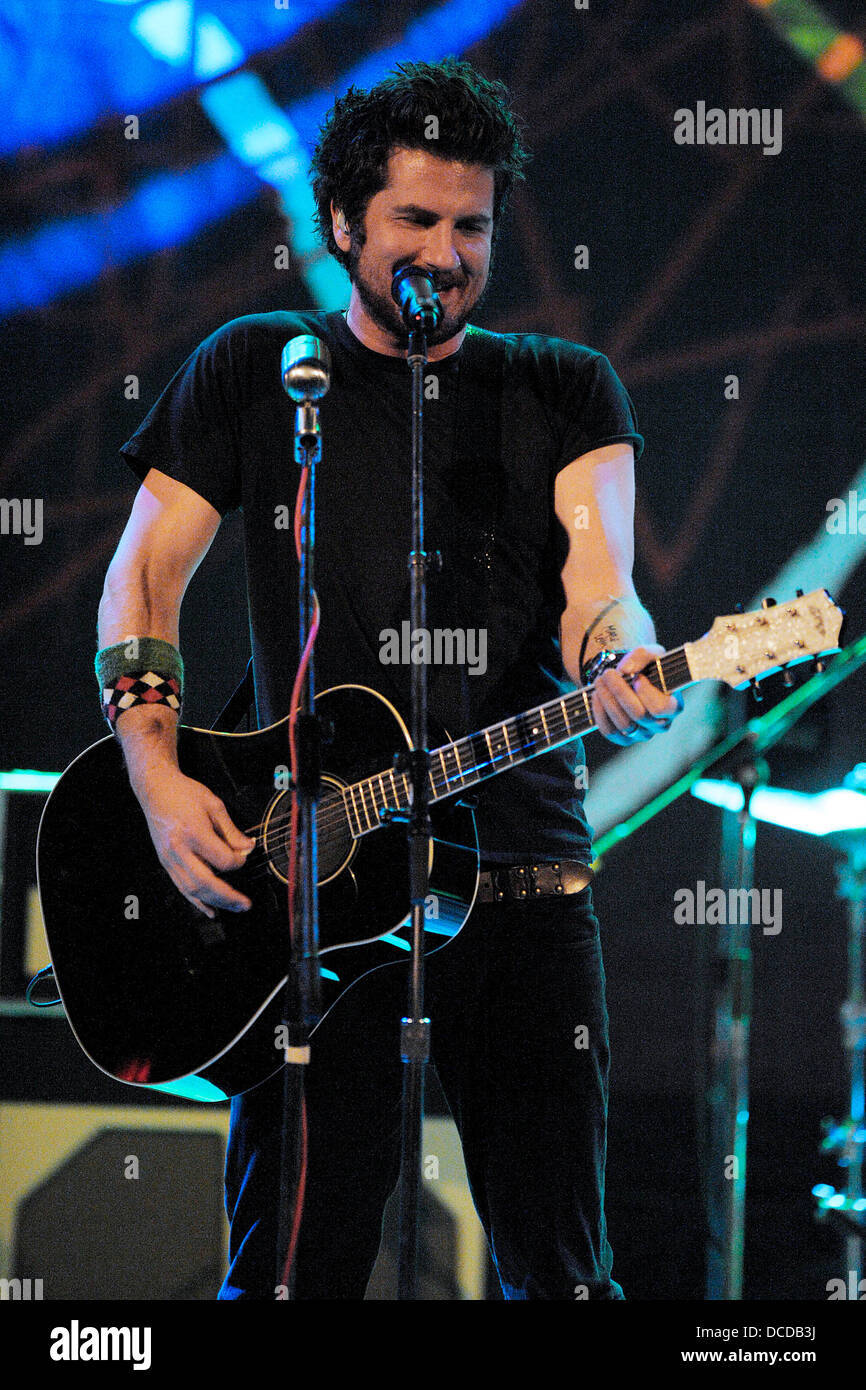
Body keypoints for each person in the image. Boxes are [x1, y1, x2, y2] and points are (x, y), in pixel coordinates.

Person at [96, 57, 682, 1300]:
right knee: (291, 1274)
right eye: (416, 220)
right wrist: (152, 774)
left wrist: (621, 653)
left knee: (565, 1276)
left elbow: (602, 590)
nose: (448, 252)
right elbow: (144, 578)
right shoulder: (262, 369)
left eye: (471, 225)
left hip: (518, 887)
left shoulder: (564, 387)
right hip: (310, 898)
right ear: (345, 223)